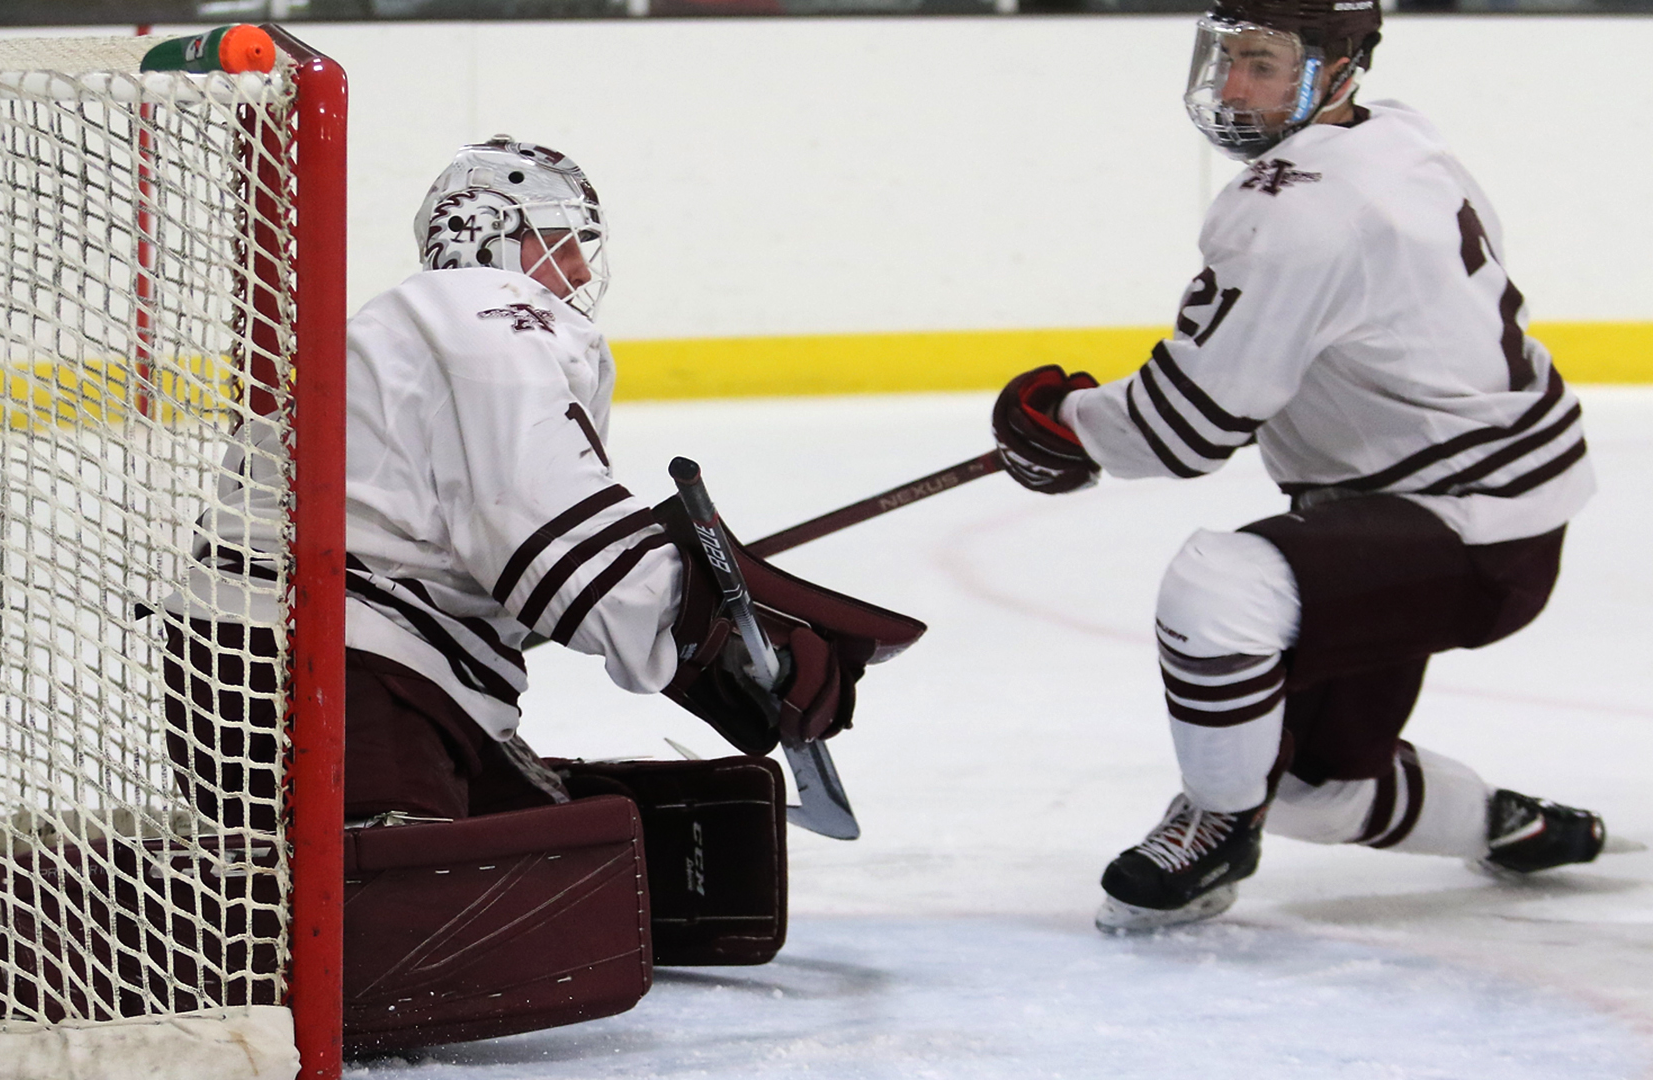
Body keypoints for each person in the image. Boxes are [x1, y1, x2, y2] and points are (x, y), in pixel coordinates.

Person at [988, 0, 1611, 934]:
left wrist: (1066, 422)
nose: (1234, 89)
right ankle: (1510, 826)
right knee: (1322, 789)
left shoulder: (1294, 208)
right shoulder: (1395, 137)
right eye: (1227, 57)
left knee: (1220, 587)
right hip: (1483, 505)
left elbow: (1184, 432)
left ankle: (1217, 825)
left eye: (1265, 65)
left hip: (1462, 521)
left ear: (1340, 64)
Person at [165, 135, 920, 833]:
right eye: (559, 241)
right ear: (482, 233)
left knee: (568, 863)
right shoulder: (482, 312)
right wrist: (702, 634)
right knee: (429, 929)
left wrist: (685, 608)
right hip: (329, 676)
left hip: (271, 666)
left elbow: (506, 547)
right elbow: (534, 518)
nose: (582, 271)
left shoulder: (419, 331)